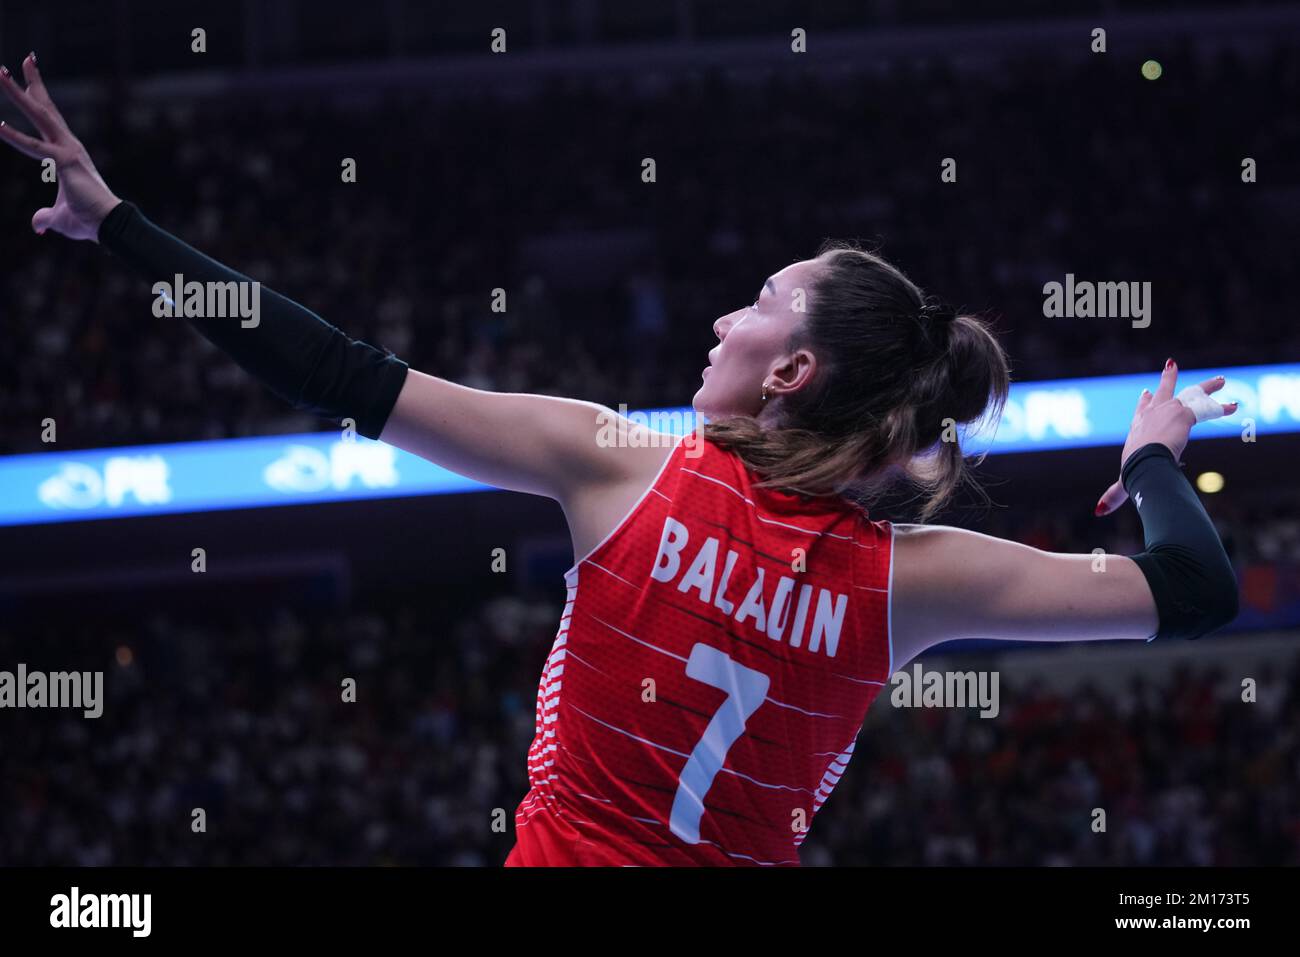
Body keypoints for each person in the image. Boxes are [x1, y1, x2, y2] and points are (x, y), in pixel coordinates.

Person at [0, 55, 1240, 866]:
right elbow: (1194, 593)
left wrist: (121, 227)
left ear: (789, 373)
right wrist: (1147, 463)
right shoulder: (912, 581)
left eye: (756, 303)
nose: (718, 319)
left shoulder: (621, 464)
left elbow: (331, 369)